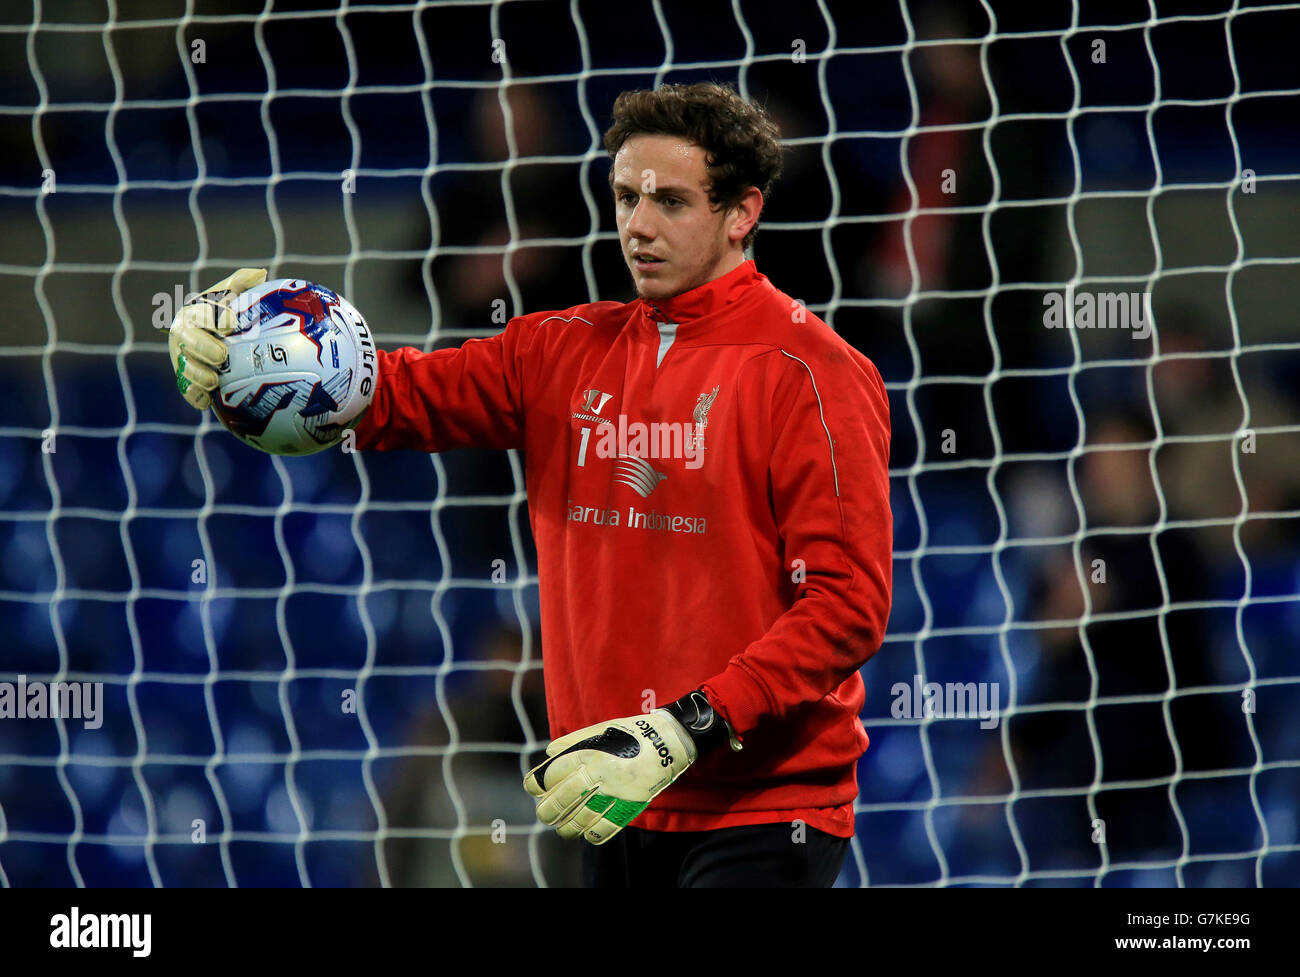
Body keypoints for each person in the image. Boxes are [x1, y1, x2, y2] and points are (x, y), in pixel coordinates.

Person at [168, 82, 893, 888]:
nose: (639, 226)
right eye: (626, 197)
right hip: (610, 797)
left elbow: (846, 607)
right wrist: (246, 351)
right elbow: (390, 394)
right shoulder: (561, 351)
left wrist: (687, 728)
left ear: (743, 212)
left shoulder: (814, 372)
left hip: (762, 807)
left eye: (673, 203)